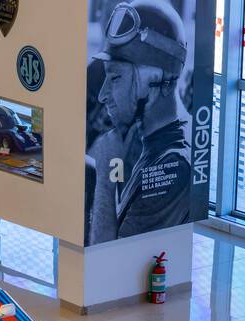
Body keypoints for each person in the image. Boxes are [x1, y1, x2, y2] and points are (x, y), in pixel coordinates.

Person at [88, 0, 192, 243]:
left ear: (154, 78)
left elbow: (109, 259)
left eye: (114, 77)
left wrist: (105, 177)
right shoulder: (147, 139)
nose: (103, 94)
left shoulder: (174, 167)